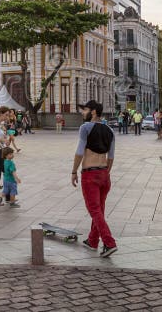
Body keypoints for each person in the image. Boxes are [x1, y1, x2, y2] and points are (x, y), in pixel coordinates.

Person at [71, 100, 118, 258]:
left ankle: (109, 243)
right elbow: (111, 157)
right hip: (104, 173)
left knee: (95, 210)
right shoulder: (110, 130)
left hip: (90, 174)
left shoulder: (85, 128)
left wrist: (73, 171)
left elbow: (79, 152)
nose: (82, 113)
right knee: (99, 210)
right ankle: (92, 240)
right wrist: (106, 173)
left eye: (85, 110)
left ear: (93, 112)